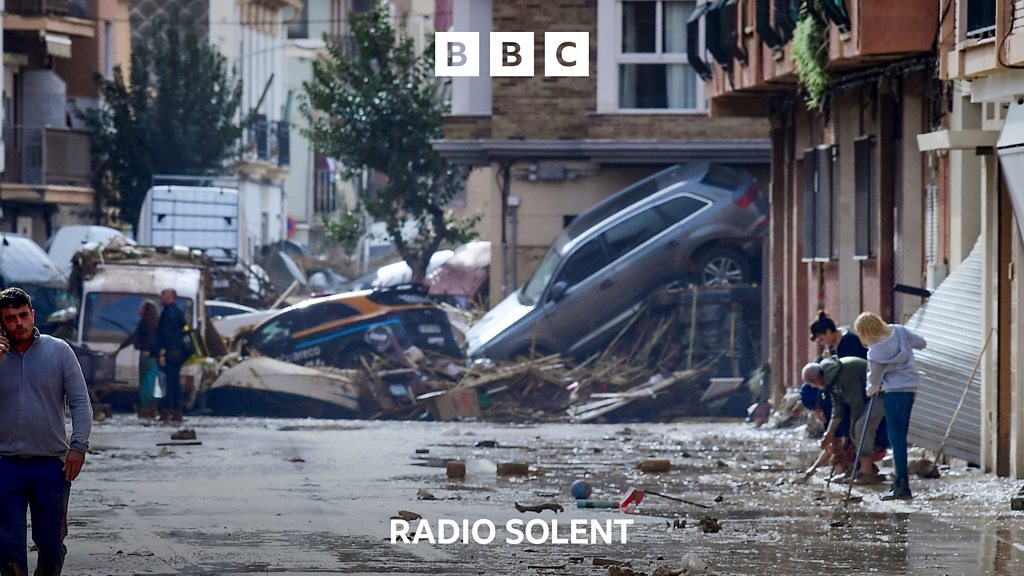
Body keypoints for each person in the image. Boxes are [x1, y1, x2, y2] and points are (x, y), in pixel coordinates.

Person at [0, 286, 93, 575]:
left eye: (23, 315)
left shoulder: (59, 351)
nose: (19, 323)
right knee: (8, 544)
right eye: (11, 318)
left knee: (51, 542)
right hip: (5, 466)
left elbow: (80, 402)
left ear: (33, 315)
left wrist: (78, 446)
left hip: (51, 466)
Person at [854, 311, 927, 501]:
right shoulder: (899, 331)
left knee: (896, 439)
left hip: (893, 393)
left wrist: (871, 389)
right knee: (901, 436)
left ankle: (902, 485)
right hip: (910, 388)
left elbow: (873, 383)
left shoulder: (875, 352)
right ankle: (900, 482)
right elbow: (921, 343)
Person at [802, 356, 887, 485]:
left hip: (881, 392)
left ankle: (866, 472)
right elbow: (838, 409)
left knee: (860, 428)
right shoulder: (830, 380)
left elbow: (857, 405)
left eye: (813, 384)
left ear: (817, 380)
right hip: (868, 395)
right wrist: (830, 432)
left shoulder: (844, 376)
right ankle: (859, 469)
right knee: (854, 431)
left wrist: (851, 433)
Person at [117, 299, 160, 419]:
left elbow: (135, 336)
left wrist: (122, 346)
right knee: (151, 381)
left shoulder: (144, 323)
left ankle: (145, 407)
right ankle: (152, 407)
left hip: (146, 354)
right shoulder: (156, 322)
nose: (139, 310)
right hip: (154, 356)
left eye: (141, 307)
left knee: (145, 381)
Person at [155, 288, 190, 422]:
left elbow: (167, 333)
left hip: (171, 353)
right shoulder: (177, 312)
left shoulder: (169, 313)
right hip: (178, 353)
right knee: (174, 382)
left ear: (171, 297)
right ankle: (176, 411)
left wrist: (163, 352)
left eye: (163, 294)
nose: (160, 297)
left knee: (169, 383)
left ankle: (169, 411)